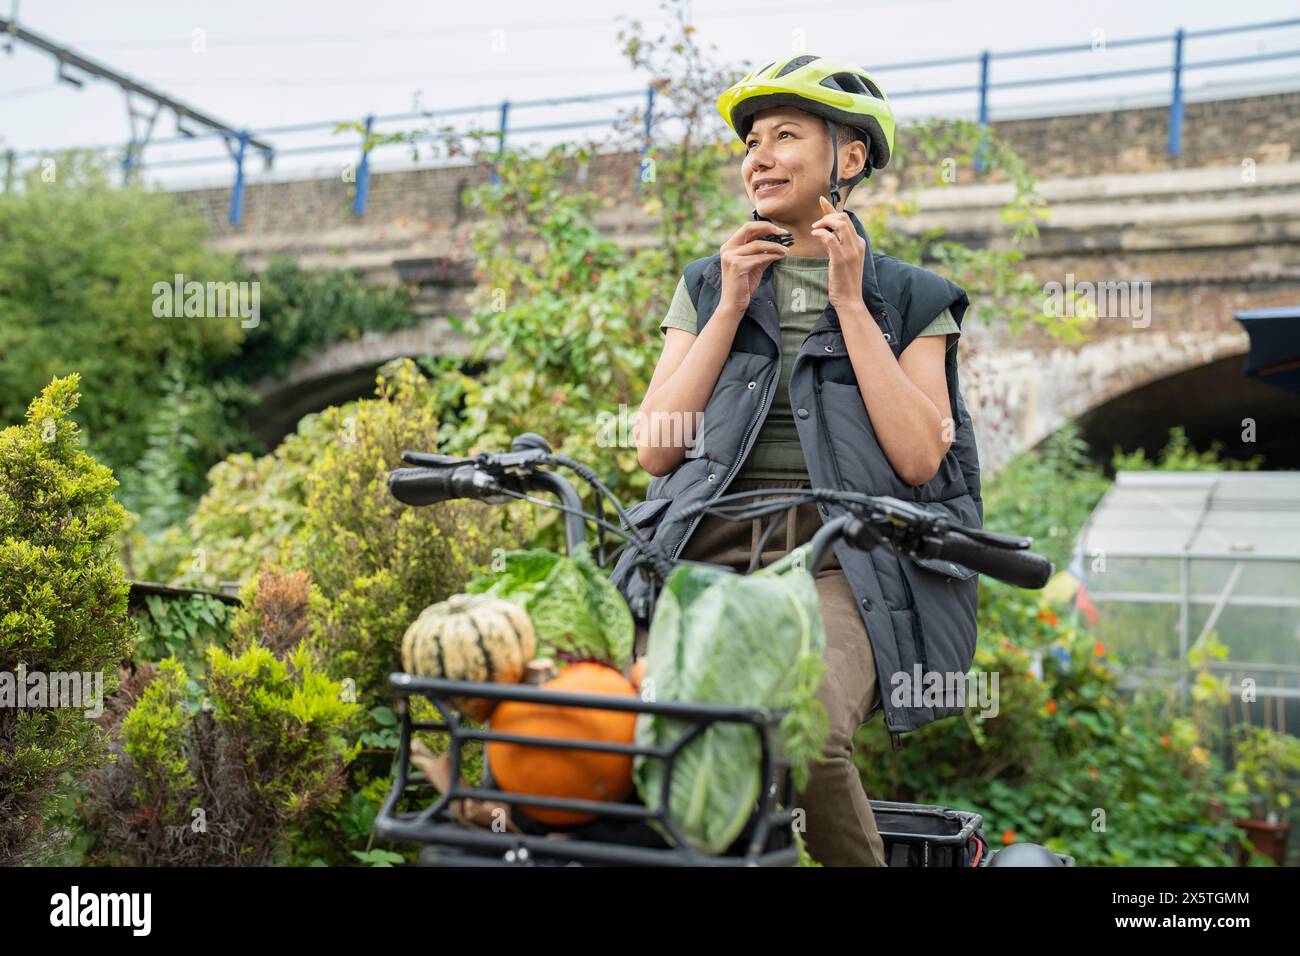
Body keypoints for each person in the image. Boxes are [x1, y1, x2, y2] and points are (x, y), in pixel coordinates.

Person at [608, 55, 983, 867]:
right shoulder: (708, 283)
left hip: (842, 556)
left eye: (786, 135)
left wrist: (849, 303)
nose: (759, 155)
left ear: (848, 160)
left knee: (802, 726)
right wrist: (732, 305)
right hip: (703, 545)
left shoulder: (914, 297)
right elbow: (655, 445)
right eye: (751, 140)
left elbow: (921, 457)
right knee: (605, 711)